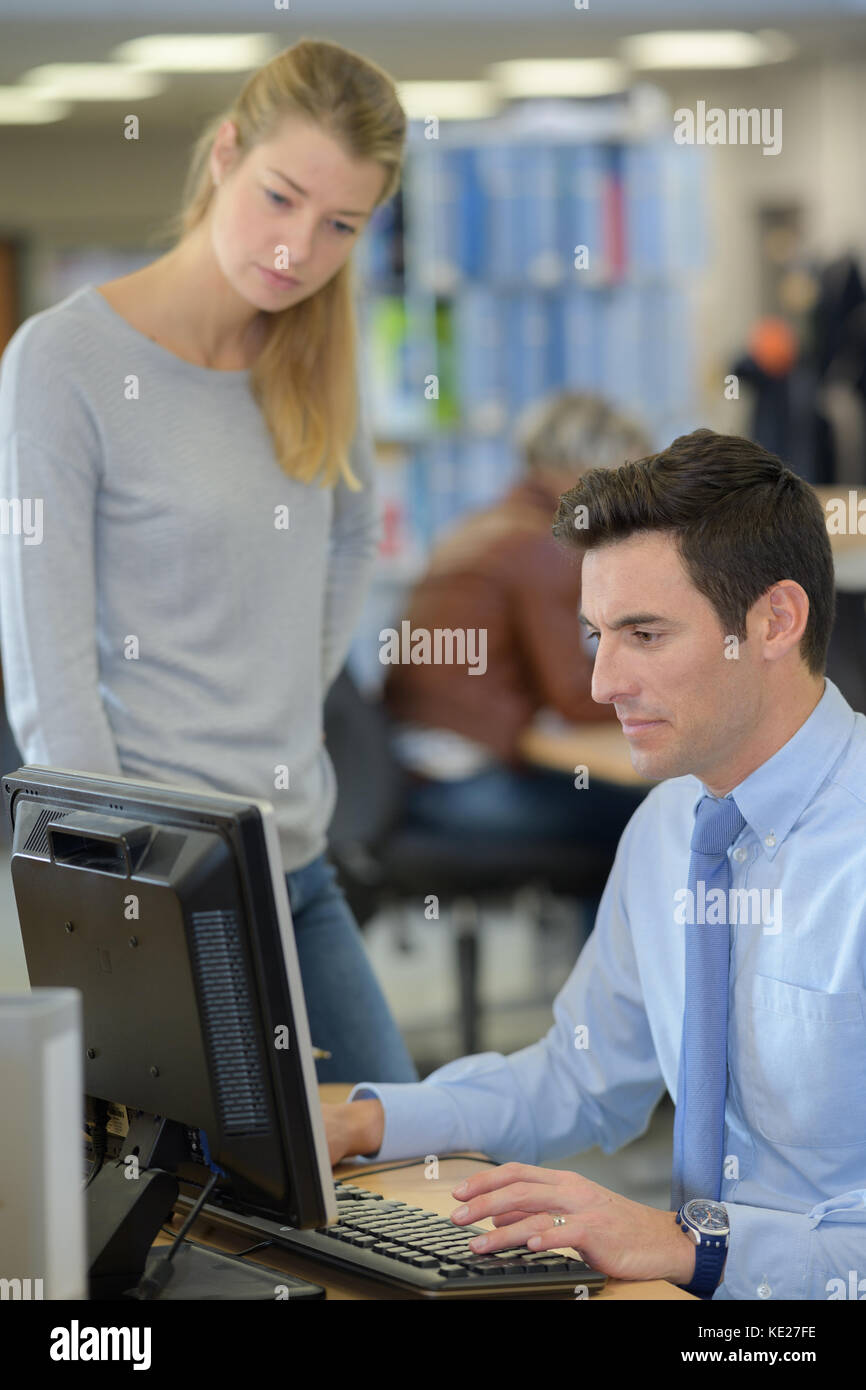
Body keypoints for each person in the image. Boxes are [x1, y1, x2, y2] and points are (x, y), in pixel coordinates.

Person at [322, 428, 866, 1300]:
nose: (605, 680)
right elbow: (579, 1076)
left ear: (775, 621)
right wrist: (373, 1119)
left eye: (644, 634)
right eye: (596, 636)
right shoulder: (667, 827)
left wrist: (695, 1249)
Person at [0, 39, 417, 1083]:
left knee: (400, 1162)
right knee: (191, 1218)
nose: (295, 249)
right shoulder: (65, 362)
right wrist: (117, 893)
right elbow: (46, 671)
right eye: (279, 197)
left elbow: (354, 529)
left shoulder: (314, 352)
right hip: (152, 873)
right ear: (225, 153)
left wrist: (281, 690)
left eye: (338, 226)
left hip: (294, 859)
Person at [384, 392, 653, 852]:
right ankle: (610, 928)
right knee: (651, 815)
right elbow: (573, 695)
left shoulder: (484, 525)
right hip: (462, 784)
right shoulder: (543, 546)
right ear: (596, 469)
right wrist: (683, 699)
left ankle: (598, 924)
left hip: (411, 774)